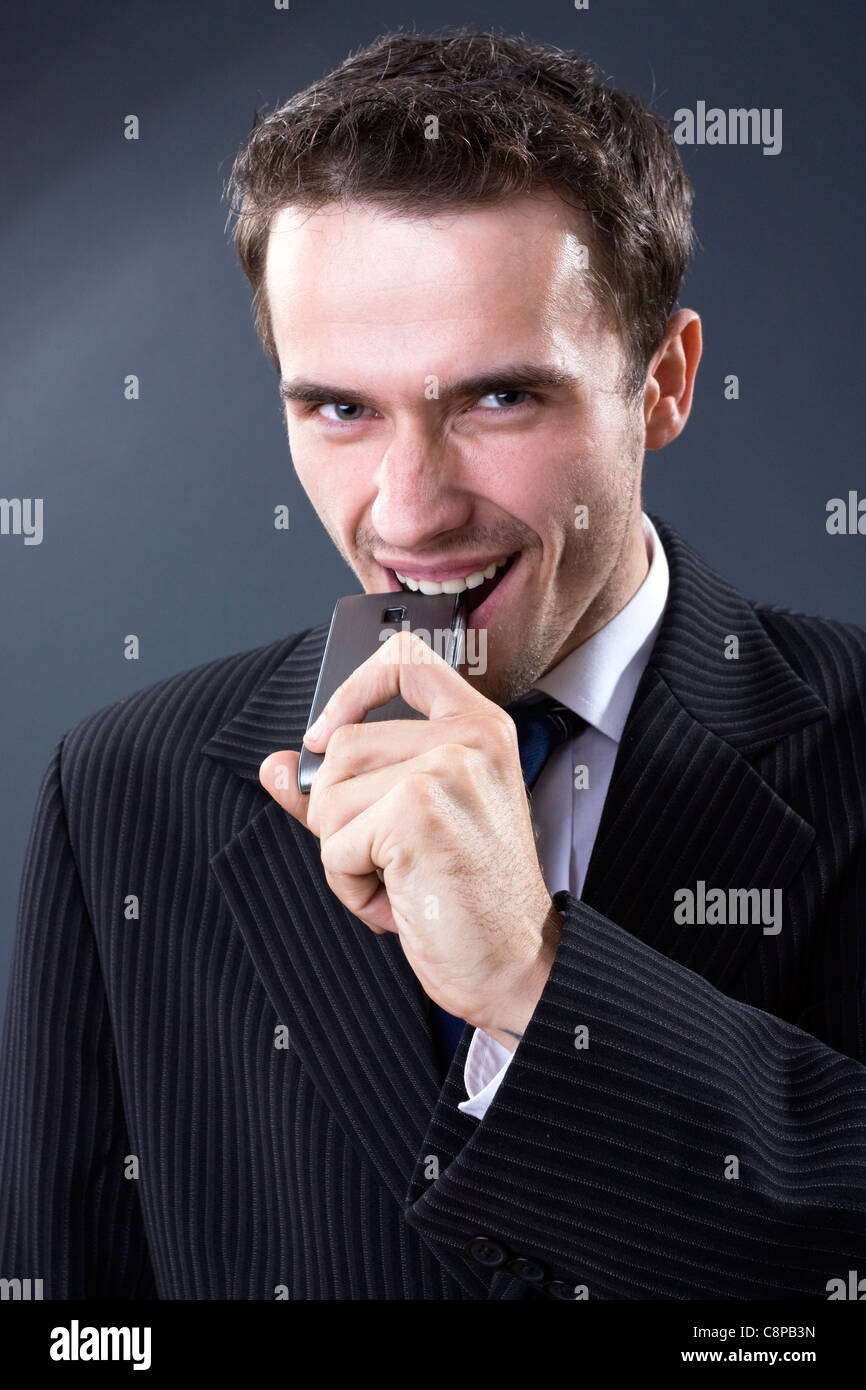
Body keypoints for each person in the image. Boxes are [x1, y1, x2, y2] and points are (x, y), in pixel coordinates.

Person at [1, 28, 864, 1302]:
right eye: (338, 408)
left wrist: (533, 974)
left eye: (496, 400)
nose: (407, 510)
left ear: (665, 385)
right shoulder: (122, 789)